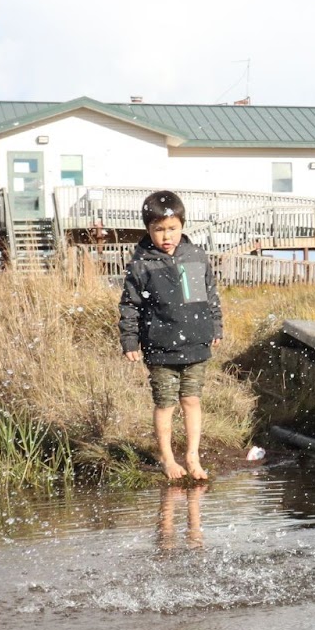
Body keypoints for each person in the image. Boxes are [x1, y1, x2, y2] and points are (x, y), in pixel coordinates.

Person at [119, 190, 223, 481]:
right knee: (165, 403)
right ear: (148, 230)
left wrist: (214, 327)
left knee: (191, 399)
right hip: (160, 346)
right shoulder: (142, 263)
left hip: (195, 341)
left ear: (182, 225)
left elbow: (208, 296)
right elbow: (130, 305)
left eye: (173, 229)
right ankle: (167, 458)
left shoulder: (194, 256)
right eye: (159, 230)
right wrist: (130, 340)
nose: (167, 236)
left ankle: (192, 455)